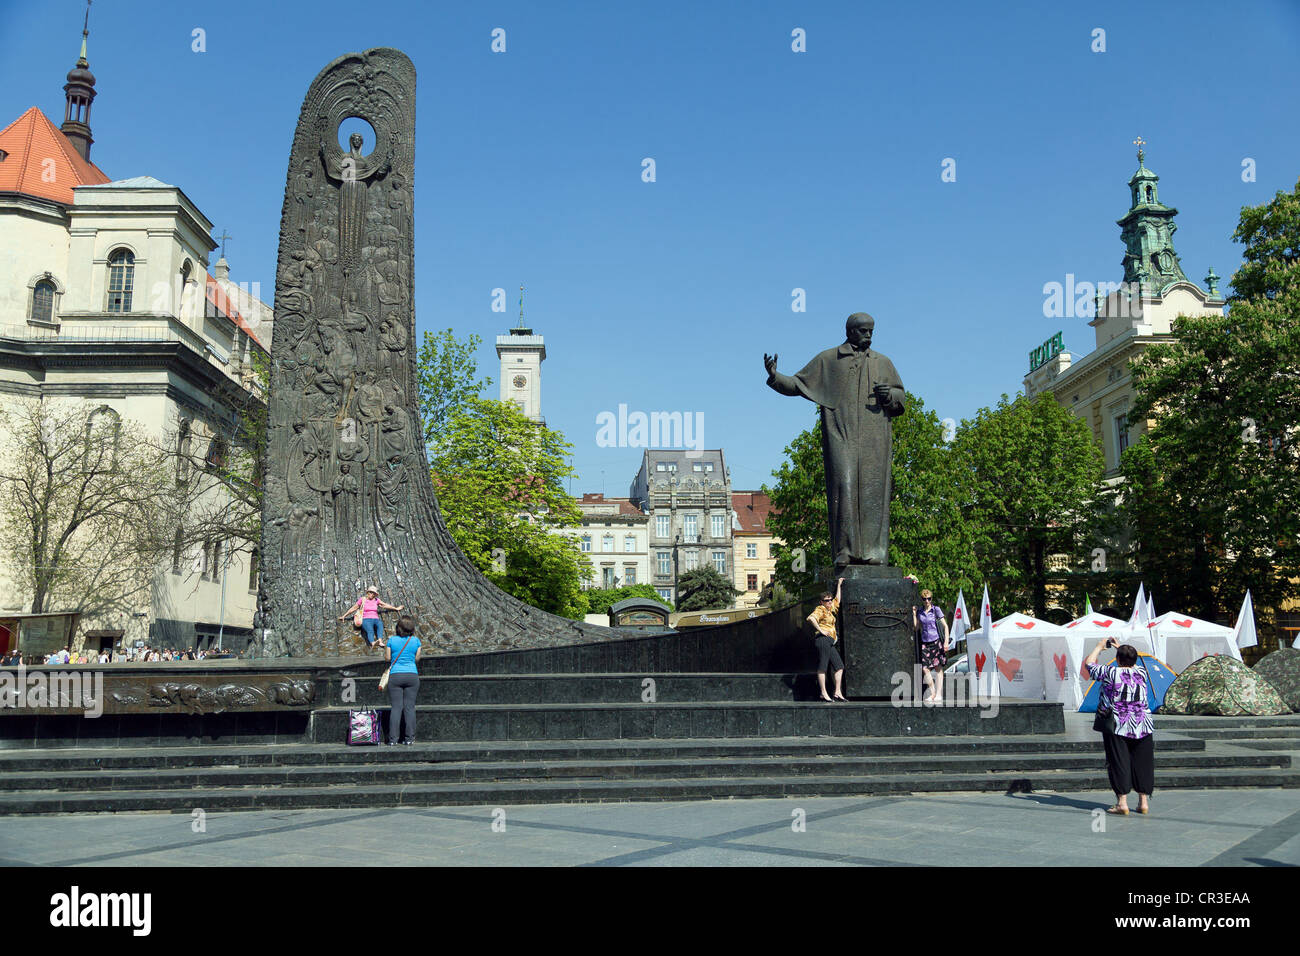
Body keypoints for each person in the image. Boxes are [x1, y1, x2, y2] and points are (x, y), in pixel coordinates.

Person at [765, 313, 906, 572]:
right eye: (863, 331)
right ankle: (846, 551)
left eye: (871, 331)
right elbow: (798, 384)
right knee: (844, 486)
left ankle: (875, 553)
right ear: (850, 332)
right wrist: (775, 376)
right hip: (841, 433)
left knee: (874, 492)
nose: (868, 336)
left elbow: (901, 398)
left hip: (875, 438)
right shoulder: (829, 359)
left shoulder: (883, 362)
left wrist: (890, 395)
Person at [1084, 639, 1154, 815]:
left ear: (1117, 659)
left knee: (1118, 760)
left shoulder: (1110, 672)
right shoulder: (1141, 672)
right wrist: (1120, 647)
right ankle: (1143, 802)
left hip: (1118, 724)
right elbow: (1131, 660)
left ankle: (1122, 802)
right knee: (1143, 762)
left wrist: (1099, 647)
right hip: (1143, 723)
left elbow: (1089, 665)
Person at [806, 577, 847, 702]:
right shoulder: (821, 610)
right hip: (823, 640)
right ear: (821, 602)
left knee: (839, 666)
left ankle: (837, 692)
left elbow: (837, 600)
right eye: (826, 600)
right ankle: (823, 692)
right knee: (823, 666)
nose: (829, 602)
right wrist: (821, 630)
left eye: (829, 600)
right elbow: (811, 618)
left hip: (830, 642)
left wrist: (839, 584)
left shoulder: (830, 609)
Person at [384, 614, 422, 745]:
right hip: (412, 675)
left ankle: (393, 740)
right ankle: (410, 739)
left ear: (398, 628)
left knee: (396, 708)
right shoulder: (416, 641)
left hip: (395, 676)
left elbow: (388, 659)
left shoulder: (391, 640)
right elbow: (417, 659)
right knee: (409, 708)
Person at [913, 589, 950, 703]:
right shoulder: (920, 612)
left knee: (938, 668)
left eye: (929, 599)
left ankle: (938, 694)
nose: (927, 601)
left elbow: (945, 626)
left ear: (931, 599)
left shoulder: (936, 610)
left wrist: (946, 642)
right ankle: (933, 692)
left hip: (936, 641)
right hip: (925, 643)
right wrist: (914, 614)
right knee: (925, 669)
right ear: (922, 600)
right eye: (924, 599)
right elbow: (916, 628)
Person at [339, 585, 404, 650]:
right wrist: (344, 615)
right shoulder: (363, 599)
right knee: (370, 631)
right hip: (366, 619)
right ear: (368, 592)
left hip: (376, 619)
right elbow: (354, 607)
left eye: (374, 593)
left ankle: (380, 641)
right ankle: (373, 643)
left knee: (380, 625)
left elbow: (385, 605)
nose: (372, 594)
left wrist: (396, 608)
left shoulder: (376, 600)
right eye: (371, 592)